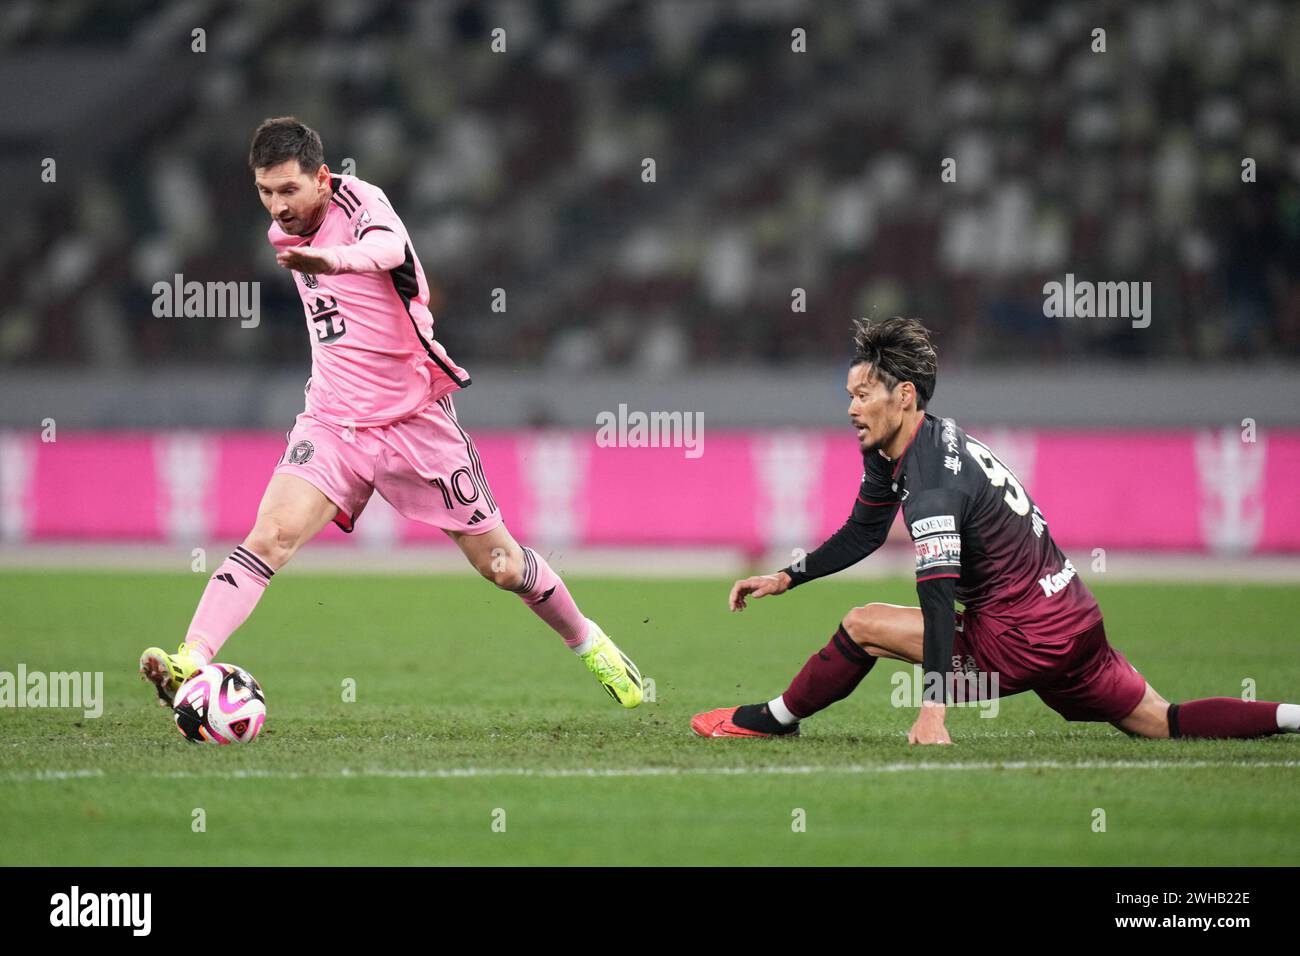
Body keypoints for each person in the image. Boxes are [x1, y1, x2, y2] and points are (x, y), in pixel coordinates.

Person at [140, 117, 642, 712]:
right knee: (270, 536)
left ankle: (590, 642)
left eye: (288, 191)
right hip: (332, 421)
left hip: (414, 423)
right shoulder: (285, 234)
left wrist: (334, 261)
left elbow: (390, 250)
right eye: (265, 193)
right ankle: (191, 660)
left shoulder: (362, 202)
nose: (277, 207)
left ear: (322, 179)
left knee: (503, 567)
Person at [692, 317, 1299, 743]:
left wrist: (933, 710)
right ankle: (1292, 716)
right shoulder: (914, 445)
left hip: (1022, 638)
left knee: (863, 625)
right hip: (1077, 624)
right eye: (848, 394)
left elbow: (936, 596)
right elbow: (863, 533)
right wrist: (787, 576)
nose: (851, 407)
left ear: (903, 396)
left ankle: (776, 717)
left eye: (863, 395)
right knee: (1165, 722)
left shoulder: (930, 477)